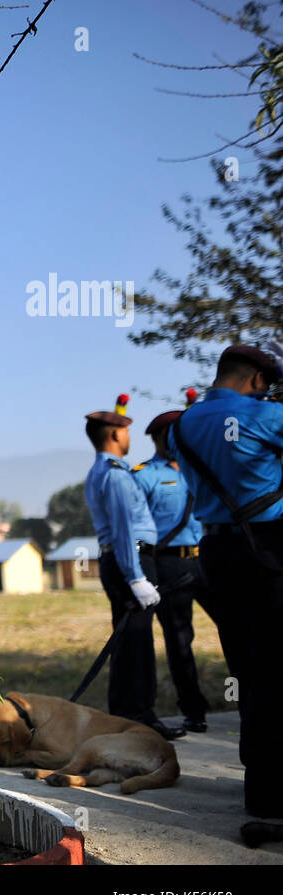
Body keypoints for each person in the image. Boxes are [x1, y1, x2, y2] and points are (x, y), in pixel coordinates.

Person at [169, 344, 283, 829]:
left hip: (217, 553)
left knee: (249, 671)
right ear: (257, 379)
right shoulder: (268, 416)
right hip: (271, 550)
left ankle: (262, 794)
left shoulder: (180, 426)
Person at [83, 397, 185, 741]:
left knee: (130, 643)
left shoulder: (108, 471)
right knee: (137, 644)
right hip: (131, 560)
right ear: (114, 435)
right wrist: (137, 576)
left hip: (124, 560)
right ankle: (139, 718)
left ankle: (128, 716)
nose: (130, 439)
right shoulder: (115, 475)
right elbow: (125, 528)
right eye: (125, 432)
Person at [132, 406, 211, 734]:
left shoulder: (203, 467)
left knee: (240, 628)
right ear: (164, 438)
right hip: (169, 564)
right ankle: (194, 711)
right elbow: (136, 526)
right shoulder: (144, 475)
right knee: (180, 640)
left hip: (206, 558)